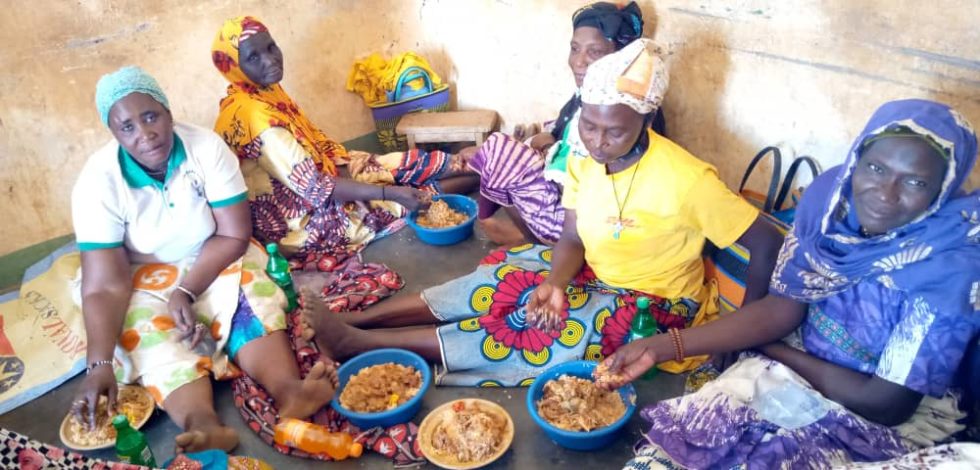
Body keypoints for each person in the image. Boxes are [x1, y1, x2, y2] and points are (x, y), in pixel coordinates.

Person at [301, 39, 783, 386]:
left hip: (651, 304)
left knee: (530, 330)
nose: (596, 141)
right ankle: (360, 323)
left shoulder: (687, 179)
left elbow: (767, 243)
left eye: (612, 131)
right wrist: (555, 282)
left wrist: (733, 339)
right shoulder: (583, 157)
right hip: (590, 271)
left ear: (647, 120)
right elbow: (571, 238)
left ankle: (353, 345)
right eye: (589, 126)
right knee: (501, 282)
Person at [602, 99, 980, 468]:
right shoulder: (830, 208)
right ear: (856, 161)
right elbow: (785, 305)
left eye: (915, 181)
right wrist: (661, 348)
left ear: (943, 189)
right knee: (669, 457)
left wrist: (768, 348)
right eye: (877, 168)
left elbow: (886, 404)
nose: (886, 193)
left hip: (870, 418)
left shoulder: (949, 267)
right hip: (792, 367)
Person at [70, 66, 336, 454]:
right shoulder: (98, 183)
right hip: (142, 272)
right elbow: (104, 283)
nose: (144, 134)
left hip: (214, 249)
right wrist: (99, 366)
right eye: (127, 127)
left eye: (150, 116)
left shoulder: (205, 148)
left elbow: (233, 233)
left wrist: (187, 290)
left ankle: (289, 390)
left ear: (167, 111)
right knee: (142, 328)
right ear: (113, 133)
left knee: (252, 293)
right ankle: (204, 424)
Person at [211, 16, 477, 264]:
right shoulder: (253, 118)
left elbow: (317, 147)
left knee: (400, 164)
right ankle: (482, 174)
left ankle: (475, 165)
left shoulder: (265, 92)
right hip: (298, 219)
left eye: (271, 47)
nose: (270, 60)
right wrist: (385, 190)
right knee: (395, 203)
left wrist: (363, 173)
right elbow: (316, 187)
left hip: (325, 174)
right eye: (253, 57)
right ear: (234, 67)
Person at [467, 1, 667, 247]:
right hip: (572, 200)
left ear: (621, 58)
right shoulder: (597, 95)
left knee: (498, 150)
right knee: (517, 145)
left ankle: (532, 240)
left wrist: (546, 152)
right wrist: (548, 143)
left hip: (586, 223)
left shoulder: (629, 112)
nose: (578, 62)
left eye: (595, 52)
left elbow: (594, 182)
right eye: (575, 48)